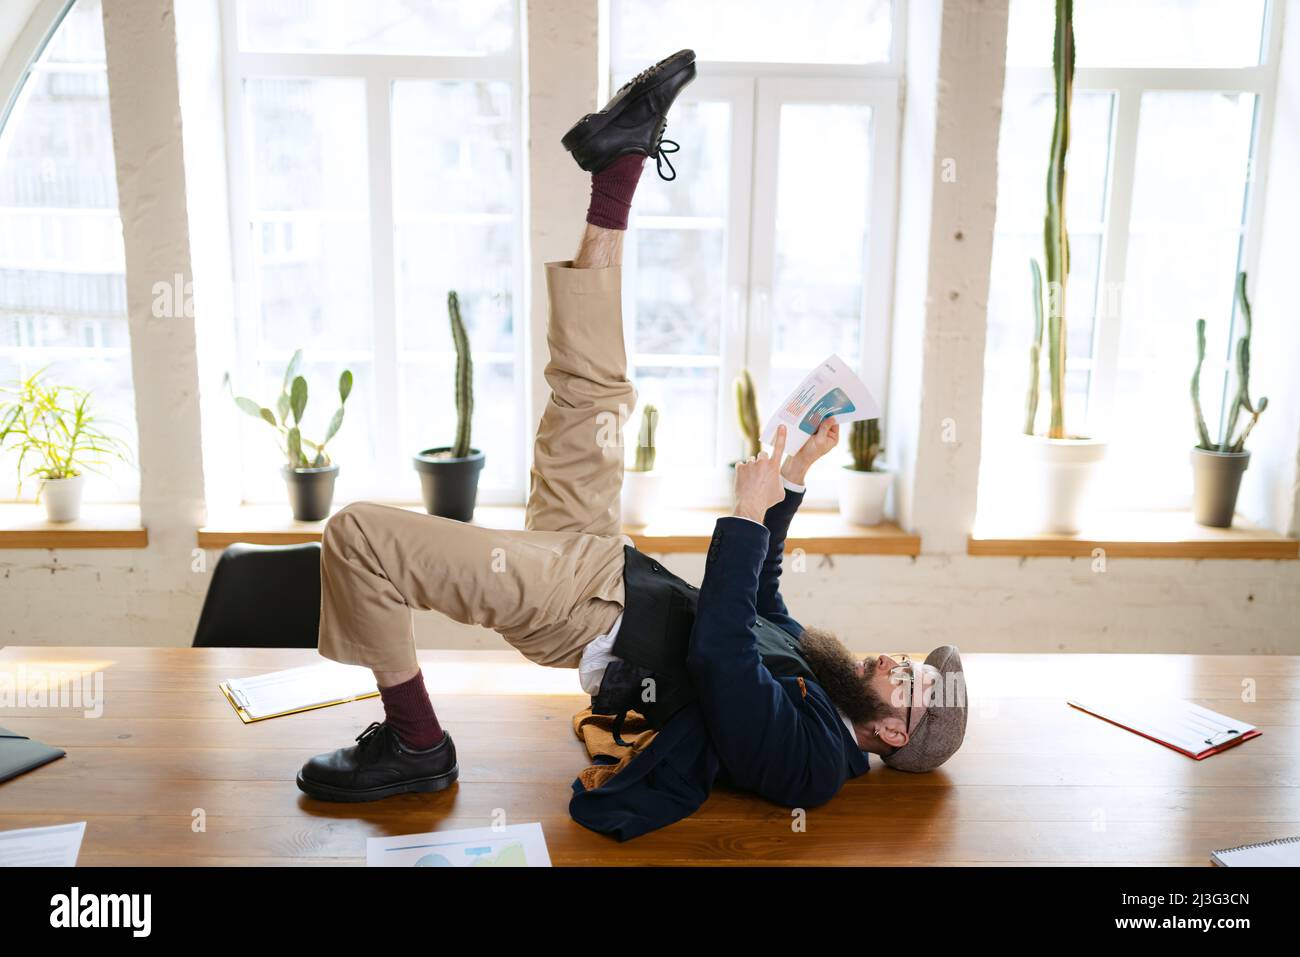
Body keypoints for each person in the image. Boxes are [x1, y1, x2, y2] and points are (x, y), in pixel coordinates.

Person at [296, 49, 968, 839]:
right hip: (600, 562)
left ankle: (416, 741)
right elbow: (757, 602)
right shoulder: (819, 678)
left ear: (895, 733)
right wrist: (788, 483)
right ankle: (616, 166)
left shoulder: (812, 763)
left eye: (912, 681)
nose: (896, 661)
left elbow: (720, 657)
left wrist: (743, 518)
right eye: (909, 660)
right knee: (594, 390)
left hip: (582, 611)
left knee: (357, 536)